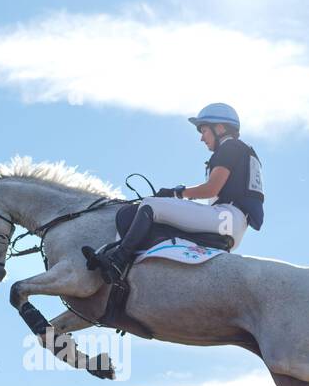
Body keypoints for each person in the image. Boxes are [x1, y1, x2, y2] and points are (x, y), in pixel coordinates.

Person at [84, 102, 263, 282]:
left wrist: (176, 193)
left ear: (220, 127)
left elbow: (211, 189)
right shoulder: (241, 151)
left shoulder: (230, 147)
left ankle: (118, 261)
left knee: (150, 205)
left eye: (204, 131)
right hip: (232, 223)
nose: (202, 138)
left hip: (226, 217)